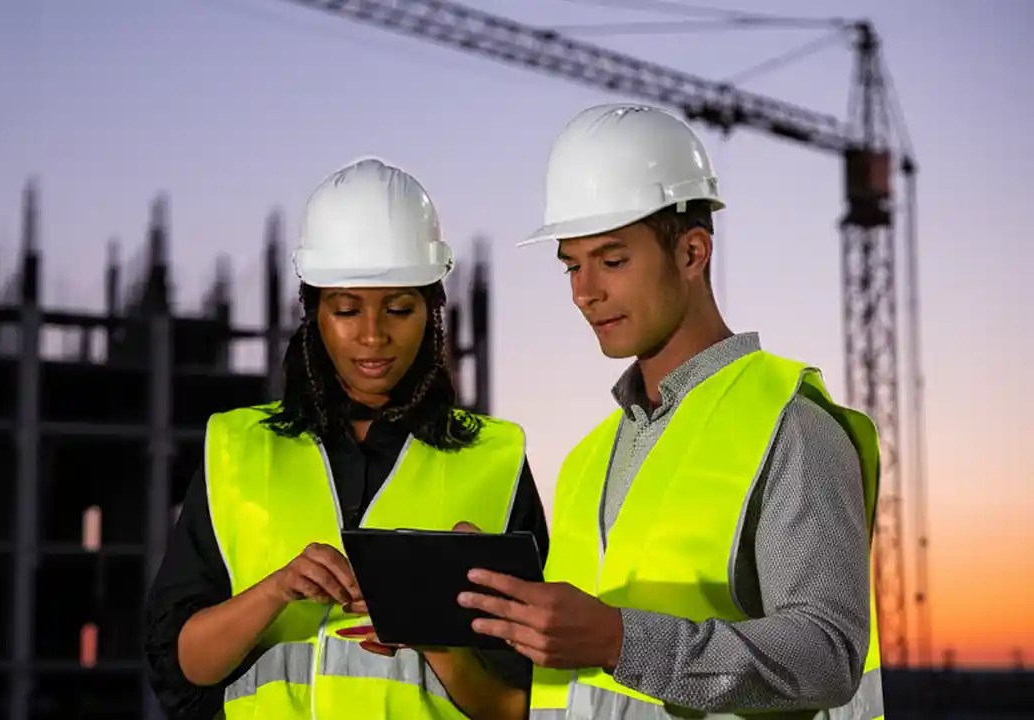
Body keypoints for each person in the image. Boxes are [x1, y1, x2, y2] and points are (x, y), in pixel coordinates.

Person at [455, 104, 885, 719]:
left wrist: (620, 640)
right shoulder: (586, 460)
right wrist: (496, 596)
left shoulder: (789, 425)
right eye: (572, 265)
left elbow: (827, 655)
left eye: (612, 260)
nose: (584, 292)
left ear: (691, 253)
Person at [144, 156, 548, 719]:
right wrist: (276, 590)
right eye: (347, 309)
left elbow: (517, 705)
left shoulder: (495, 462)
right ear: (314, 314)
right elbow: (181, 664)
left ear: (432, 313)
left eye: (400, 309)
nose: (374, 336)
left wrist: (430, 631)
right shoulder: (237, 450)